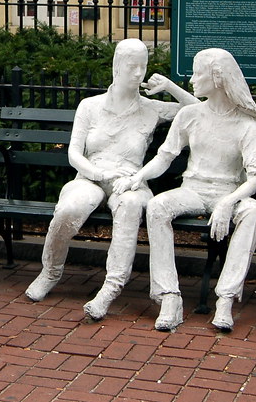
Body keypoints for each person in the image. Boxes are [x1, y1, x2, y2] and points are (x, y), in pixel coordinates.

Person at [24, 39, 198, 320]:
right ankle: (51, 271)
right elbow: (73, 153)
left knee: (130, 205)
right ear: (117, 66)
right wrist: (98, 173)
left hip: (130, 182)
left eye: (143, 66)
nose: (139, 73)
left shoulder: (152, 108)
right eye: (132, 66)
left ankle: (110, 289)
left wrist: (169, 87)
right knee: (72, 207)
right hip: (90, 176)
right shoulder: (90, 106)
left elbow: (199, 112)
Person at [114, 48, 256, 333]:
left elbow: (253, 179)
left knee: (254, 211)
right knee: (158, 206)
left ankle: (225, 299)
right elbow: (164, 157)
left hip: (230, 193)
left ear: (218, 79)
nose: (192, 79)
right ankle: (168, 297)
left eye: (198, 73)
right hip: (193, 190)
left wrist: (227, 203)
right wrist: (138, 177)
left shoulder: (248, 126)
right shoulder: (190, 115)